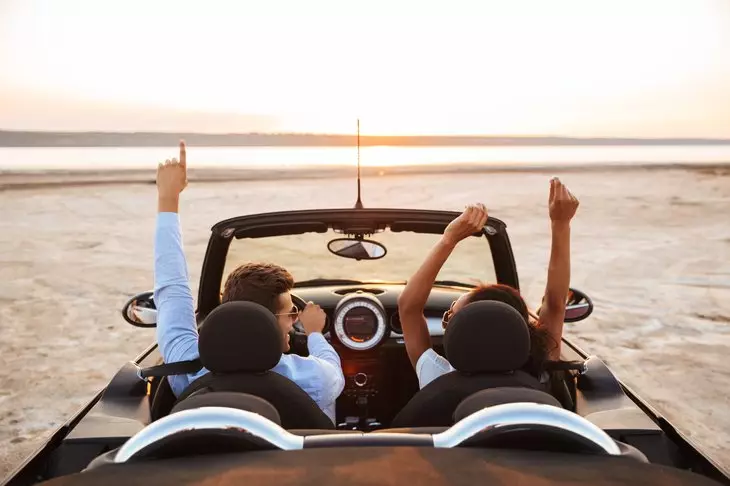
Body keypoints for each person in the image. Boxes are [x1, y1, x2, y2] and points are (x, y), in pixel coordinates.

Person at [154, 141, 345, 422]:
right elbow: (334, 371)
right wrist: (315, 333)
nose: (295, 321)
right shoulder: (311, 378)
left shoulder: (186, 366)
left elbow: (172, 289)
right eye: (291, 314)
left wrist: (168, 198)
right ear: (262, 322)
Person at [398, 179, 579, 389]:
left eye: (450, 319)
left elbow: (408, 307)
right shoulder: (539, 376)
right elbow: (556, 304)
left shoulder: (437, 379)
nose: (447, 323)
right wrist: (561, 224)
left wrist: (449, 240)